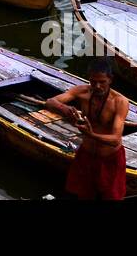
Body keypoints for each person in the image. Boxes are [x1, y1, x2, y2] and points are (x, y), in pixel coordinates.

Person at [47, 57, 129, 200]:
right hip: (86, 154)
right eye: (93, 81)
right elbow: (50, 102)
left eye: (102, 82)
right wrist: (64, 109)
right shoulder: (82, 91)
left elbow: (115, 139)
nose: (97, 86)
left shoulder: (120, 102)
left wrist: (91, 134)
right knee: (81, 195)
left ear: (110, 79)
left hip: (109, 159)